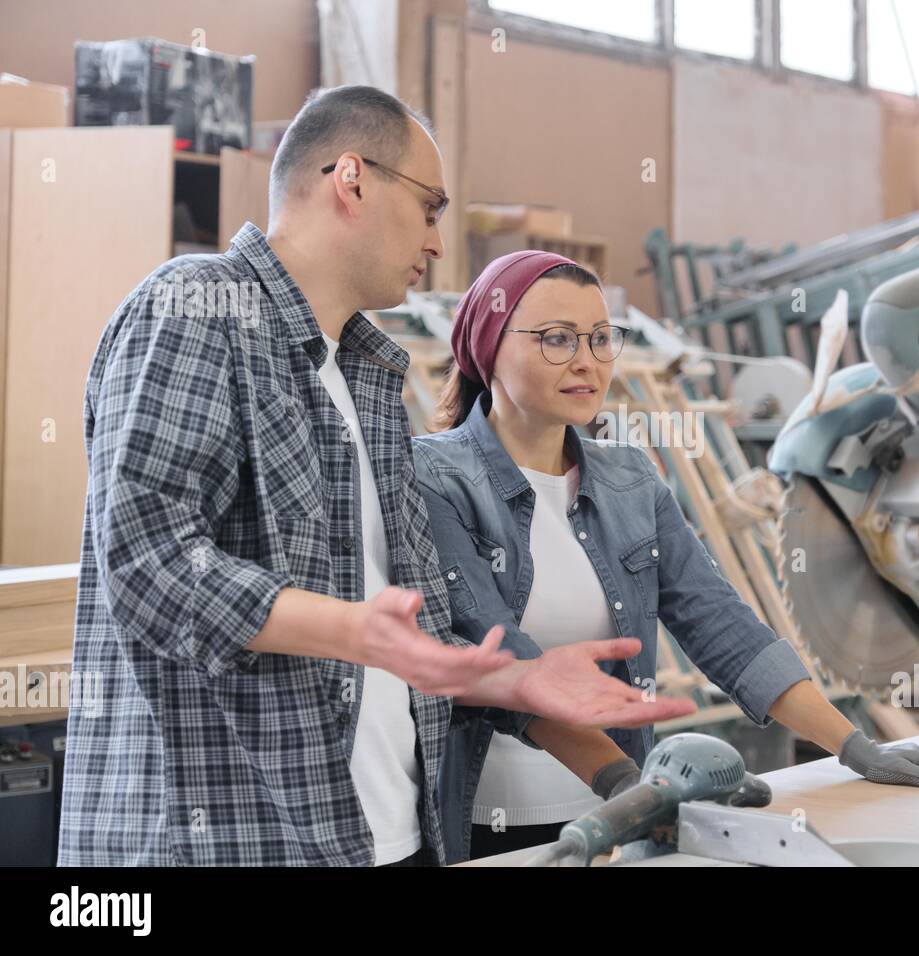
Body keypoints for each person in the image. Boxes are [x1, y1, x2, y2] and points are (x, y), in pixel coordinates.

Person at [58, 85, 692, 868]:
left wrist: (516, 680)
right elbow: (148, 563)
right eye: (430, 206)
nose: (437, 239)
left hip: (380, 833)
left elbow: (419, 637)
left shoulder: (368, 381)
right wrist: (352, 629)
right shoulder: (198, 307)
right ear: (351, 179)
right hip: (236, 836)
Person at [413, 250, 919, 863]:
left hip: (621, 816)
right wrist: (630, 784)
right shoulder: (435, 479)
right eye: (557, 339)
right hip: (493, 823)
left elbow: (722, 626)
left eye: (599, 338)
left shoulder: (629, 481)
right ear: (488, 345)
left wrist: (857, 748)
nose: (587, 361)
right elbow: (506, 666)